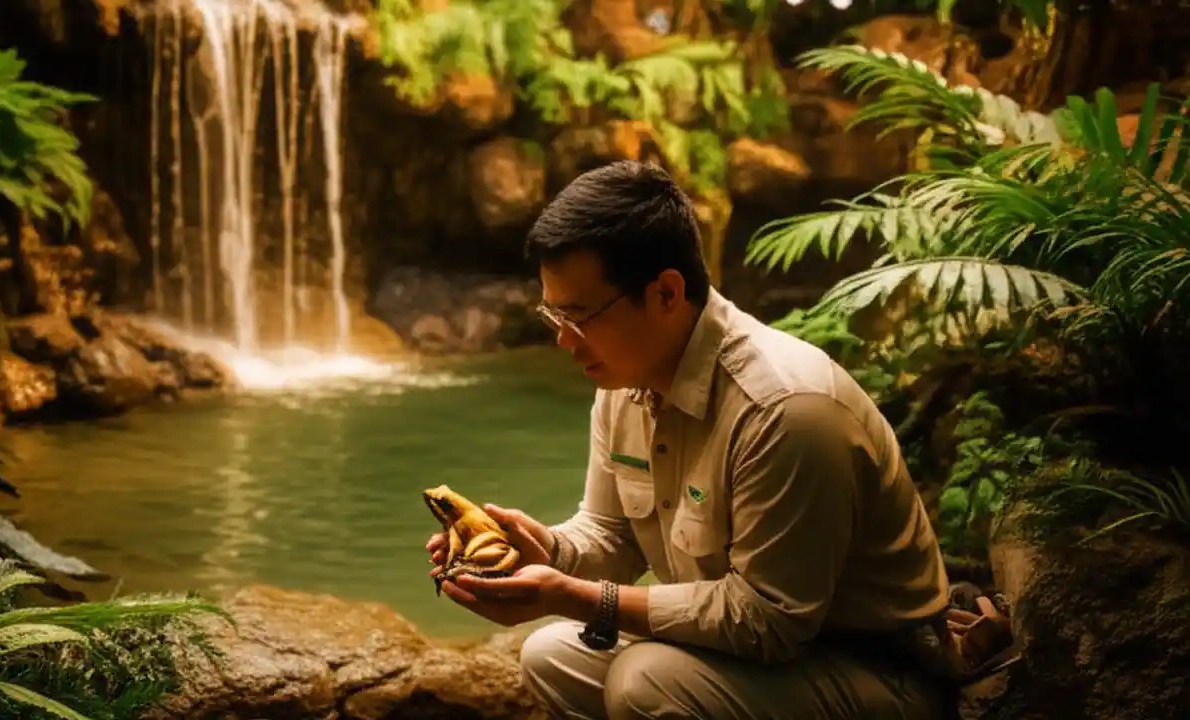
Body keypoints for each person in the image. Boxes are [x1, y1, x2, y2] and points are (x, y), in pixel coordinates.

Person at [426, 160, 995, 719]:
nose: (564, 342)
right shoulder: (627, 382)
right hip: (752, 659)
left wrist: (577, 598)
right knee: (551, 656)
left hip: (879, 669)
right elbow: (611, 535)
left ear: (666, 294)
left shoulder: (785, 410)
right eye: (555, 316)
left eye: (579, 317)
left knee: (645, 683)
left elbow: (769, 621)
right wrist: (543, 551)